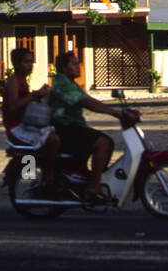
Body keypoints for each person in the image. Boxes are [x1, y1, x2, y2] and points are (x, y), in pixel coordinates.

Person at [48, 51, 139, 206]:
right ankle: (95, 187)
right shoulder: (62, 83)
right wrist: (114, 113)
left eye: (78, 63)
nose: (78, 67)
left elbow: (90, 99)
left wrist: (116, 111)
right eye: (74, 64)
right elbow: (87, 103)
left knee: (105, 142)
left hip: (73, 127)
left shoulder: (71, 83)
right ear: (64, 68)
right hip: (64, 129)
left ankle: (91, 180)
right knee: (103, 142)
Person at [1, 47, 61, 192]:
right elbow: (14, 106)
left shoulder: (23, 81)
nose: (30, 65)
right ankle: (48, 178)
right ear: (17, 64)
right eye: (26, 62)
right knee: (53, 140)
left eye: (31, 62)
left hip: (25, 124)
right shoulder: (14, 81)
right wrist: (35, 95)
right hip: (16, 127)